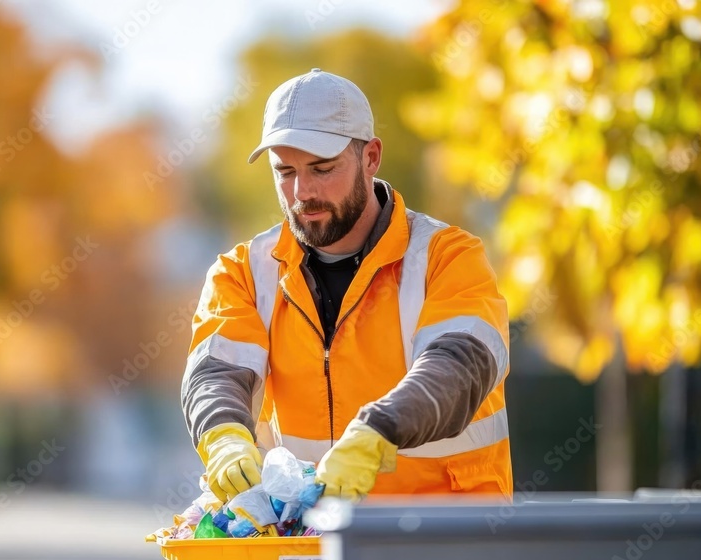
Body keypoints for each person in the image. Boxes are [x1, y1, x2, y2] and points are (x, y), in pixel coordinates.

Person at [181, 69, 511, 501]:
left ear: (371, 157)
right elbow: (217, 373)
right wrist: (223, 435)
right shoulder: (243, 272)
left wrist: (379, 430)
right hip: (316, 540)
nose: (302, 192)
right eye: (285, 171)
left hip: (447, 538)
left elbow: (459, 366)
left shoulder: (447, 257)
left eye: (322, 168)